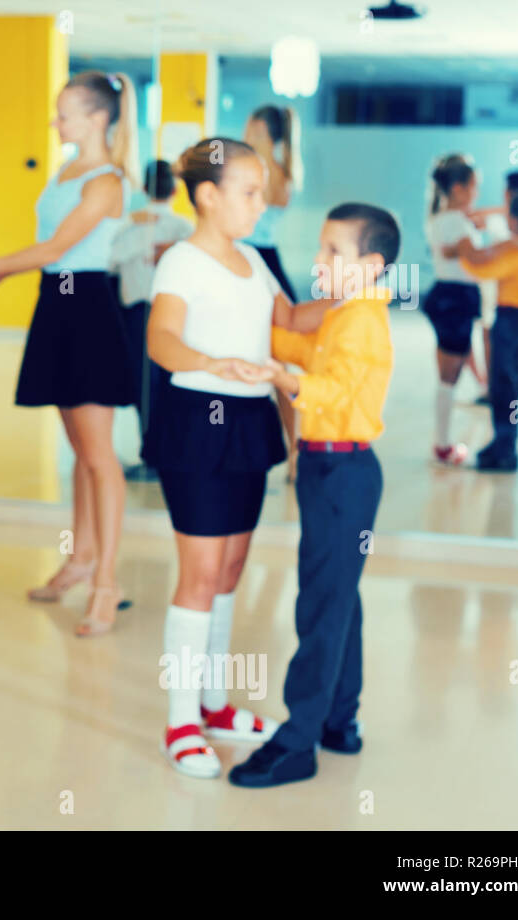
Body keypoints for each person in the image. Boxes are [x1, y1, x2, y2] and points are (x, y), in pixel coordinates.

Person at [144, 137, 333, 778]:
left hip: (250, 421)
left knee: (228, 573)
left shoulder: (254, 258)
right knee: (198, 577)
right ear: (208, 196)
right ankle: (180, 720)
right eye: (250, 192)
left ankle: (216, 706)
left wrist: (356, 291)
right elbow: (161, 340)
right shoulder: (181, 262)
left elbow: (296, 321)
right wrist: (212, 362)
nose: (261, 203)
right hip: (197, 422)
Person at [0, 70, 139, 636]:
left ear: (98, 117)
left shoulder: (107, 182)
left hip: (90, 310)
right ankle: (79, 561)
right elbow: (49, 258)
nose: (57, 122)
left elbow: (57, 247)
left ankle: (107, 581)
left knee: (100, 455)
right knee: (79, 448)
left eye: (66, 113)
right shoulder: (67, 169)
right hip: (57, 304)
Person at [229, 203, 399, 788]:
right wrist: (259, 333)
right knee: (339, 600)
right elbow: (306, 352)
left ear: (371, 265)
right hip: (331, 472)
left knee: (321, 606)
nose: (319, 260)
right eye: (320, 247)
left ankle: (297, 742)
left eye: (334, 251)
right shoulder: (345, 314)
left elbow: (329, 386)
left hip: (343, 476)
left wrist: (280, 378)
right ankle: (337, 721)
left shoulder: (362, 323)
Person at [455, 193, 518, 472]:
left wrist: (463, 252)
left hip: (512, 319)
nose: (505, 218)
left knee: (504, 388)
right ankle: (504, 443)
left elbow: (482, 270)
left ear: (517, 219)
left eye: (509, 214)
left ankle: (505, 448)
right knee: (512, 388)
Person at [109, 158, 193, 478]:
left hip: (135, 318)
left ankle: (153, 453)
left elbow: (111, 262)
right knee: (168, 385)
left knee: (144, 387)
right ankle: (166, 453)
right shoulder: (185, 230)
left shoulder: (130, 227)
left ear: (143, 188)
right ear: (175, 190)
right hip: (174, 318)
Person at [244, 105, 305, 481]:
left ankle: (296, 446)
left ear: (263, 129)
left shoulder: (277, 173)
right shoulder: (253, 167)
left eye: (251, 126)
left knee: (277, 364)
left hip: (262, 264)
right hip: (245, 260)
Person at [422, 153, 483, 466]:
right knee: (448, 378)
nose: (477, 193)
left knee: (449, 374)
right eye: (474, 186)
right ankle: (442, 444)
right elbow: (477, 258)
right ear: (458, 188)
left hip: (449, 298)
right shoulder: (456, 222)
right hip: (455, 300)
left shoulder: (443, 218)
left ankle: (442, 441)